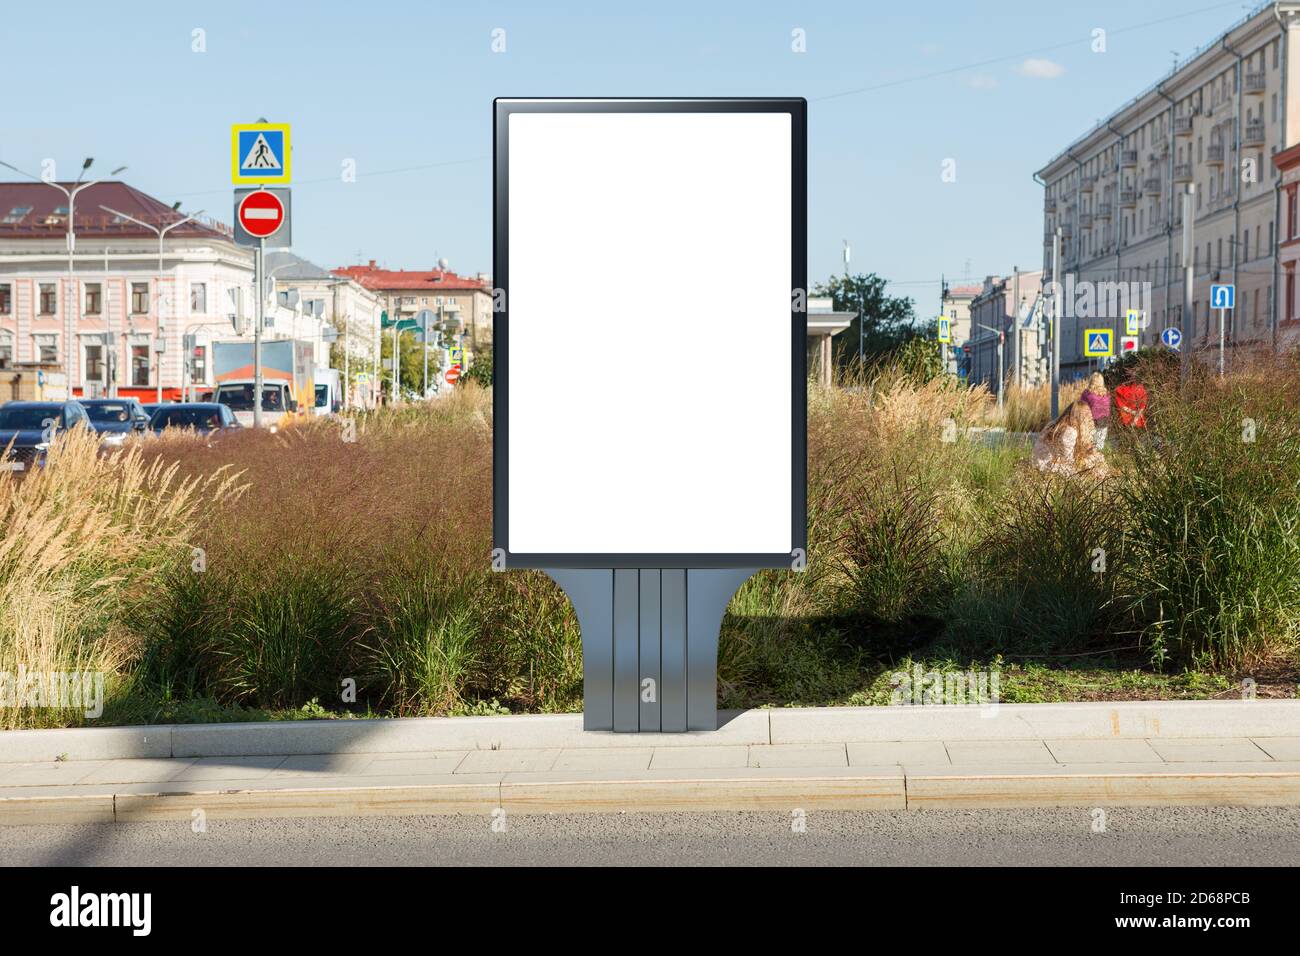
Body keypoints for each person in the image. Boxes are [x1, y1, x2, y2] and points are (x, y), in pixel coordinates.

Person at [1032, 399, 1108, 478]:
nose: (1090, 420)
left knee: (1094, 458)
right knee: (1093, 460)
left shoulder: (1055, 425)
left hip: (1041, 464)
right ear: (1082, 419)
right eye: (1088, 417)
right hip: (1051, 467)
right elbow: (1067, 459)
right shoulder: (1069, 432)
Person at [1080, 371, 1111, 449]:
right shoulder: (1106, 394)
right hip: (1104, 422)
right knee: (1099, 446)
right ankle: (1098, 460)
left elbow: (1081, 407)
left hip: (1090, 422)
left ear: (1091, 381)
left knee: (1088, 446)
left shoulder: (1087, 393)